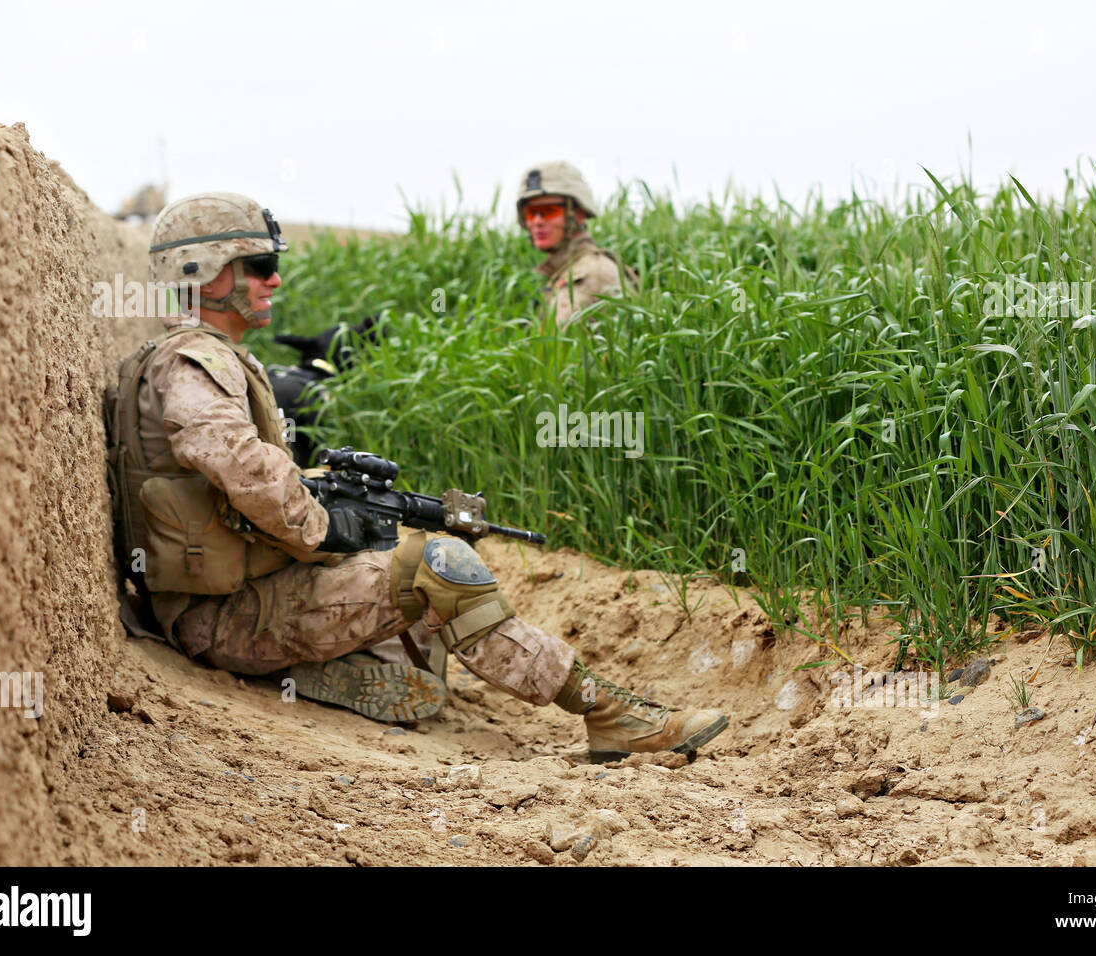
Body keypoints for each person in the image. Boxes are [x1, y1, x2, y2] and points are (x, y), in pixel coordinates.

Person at [106, 192, 727, 762]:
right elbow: (233, 459)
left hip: (225, 601)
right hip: (218, 620)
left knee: (410, 587)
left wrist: (337, 503)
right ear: (199, 271)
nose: (274, 279)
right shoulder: (195, 358)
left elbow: (231, 485)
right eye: (258, 264)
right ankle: (609, 712)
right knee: (439, 568)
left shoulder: (200, 354)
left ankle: (350, 674)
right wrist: (323, 526)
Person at [517, 161, 637, 327]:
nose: (537, 222)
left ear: (579, 213)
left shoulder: (586, 275)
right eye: (531, 213)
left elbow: (558, 347)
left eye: (549, 211)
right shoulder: (570, 269)